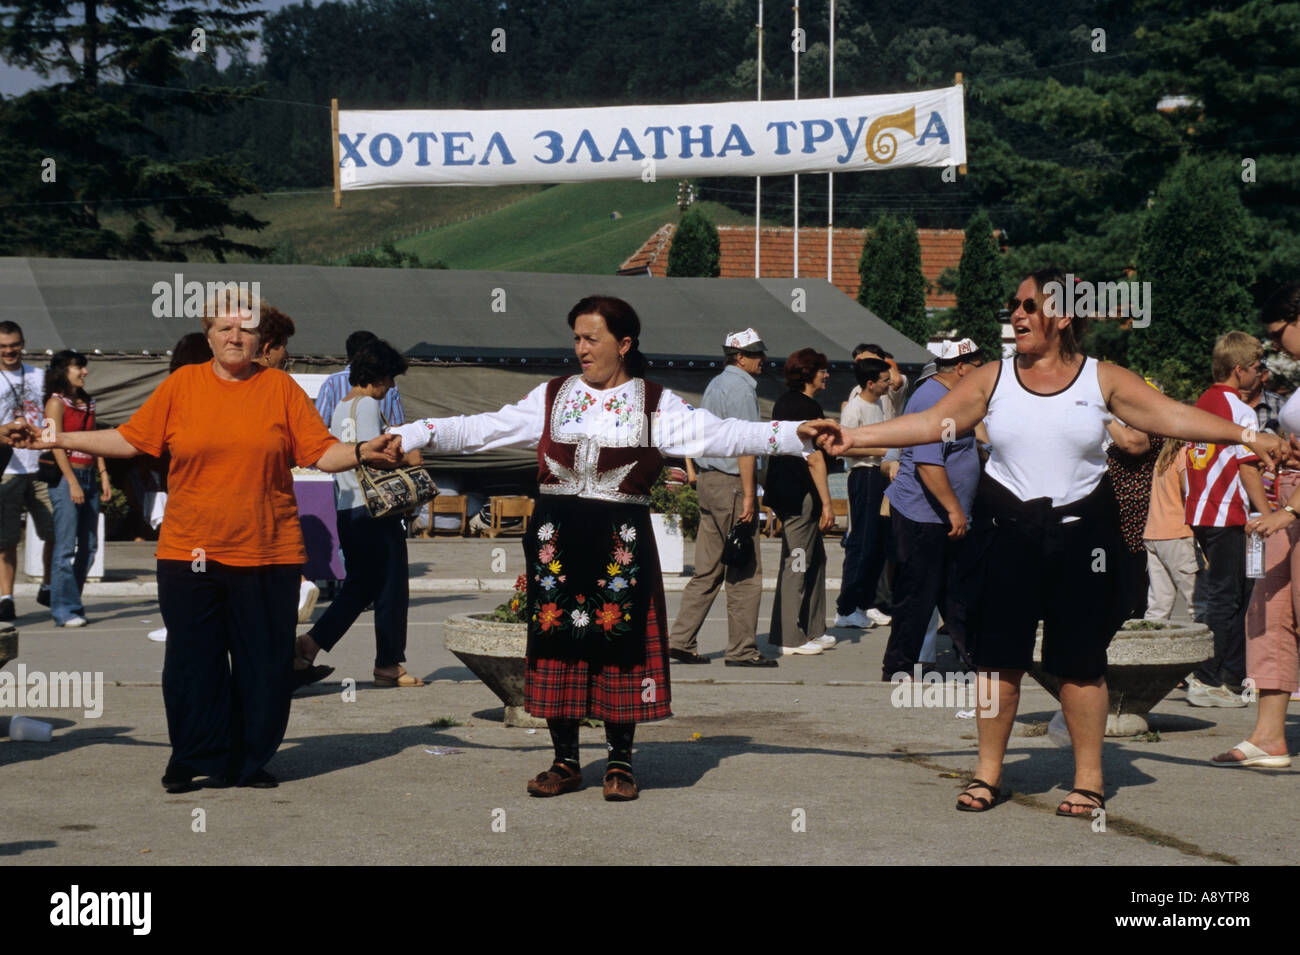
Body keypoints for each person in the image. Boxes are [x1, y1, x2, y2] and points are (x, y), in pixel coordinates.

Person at [826, 267, 1285, 816]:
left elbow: (1170, 416)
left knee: (1081, 663)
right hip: (1005, 532)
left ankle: (1088, 780)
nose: (1016, 315)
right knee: (996, 661)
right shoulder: (992, 378)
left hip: (1083, 536)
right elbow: (929, 424)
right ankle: (987, 774)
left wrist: (1247, 434)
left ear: (1063, 315)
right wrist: (854, 437)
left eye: (1027, 306)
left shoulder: (1103, 379)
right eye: (1013, 306)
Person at [389, 296, 836, 800]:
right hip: (557, 542)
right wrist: (411, 430)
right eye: (576, 338)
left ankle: (620, 761)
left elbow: (723, 434)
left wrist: (794, 432)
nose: (581, 348)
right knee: (560, 643)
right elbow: (482, 429)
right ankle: (564, 761)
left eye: (591, 338)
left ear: (623, 344)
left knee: (618, 646)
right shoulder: (553, 396)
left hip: (619, 545)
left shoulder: (654, 403)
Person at [23, 288, 402, 792]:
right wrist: (60, 439)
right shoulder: (183, 385)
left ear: (260, 338)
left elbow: (320, 452)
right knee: (191, 661)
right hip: (189, 552)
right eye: (225, 328)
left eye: (246, 329)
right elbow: (132, 440)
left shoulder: (281, 390)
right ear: (209, 335)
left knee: (262, 664)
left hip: (269, 551)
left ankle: (247, 761)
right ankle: (193, 755)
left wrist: (360, 451)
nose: (235, 336)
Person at [293, 340, 424, 687]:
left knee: (362, 585)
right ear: (378, 376)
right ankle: (388, 663)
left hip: (347, 509)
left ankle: (310, 645)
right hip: (374, 510)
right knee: (392, 587)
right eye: (391, 379)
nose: (392, 387)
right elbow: (375, 457)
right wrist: (409, 454)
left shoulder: (340, 407)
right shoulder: (366, 405)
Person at [1214, 282, 1300, 767]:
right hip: (1288, 496)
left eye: (1277, 332)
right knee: (1267, 612)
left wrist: (1288, 511)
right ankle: (1270, 737)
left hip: (1295, 506)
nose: (1274, 345)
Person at [668, 327, 777, 667]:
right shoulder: (742, 390)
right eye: (756, 354)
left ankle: (681, 640)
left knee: (708, 569)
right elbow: (743, 443)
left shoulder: (715, 384)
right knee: (744, 569)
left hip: (709, 480)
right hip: (731, 481)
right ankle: (742, 649)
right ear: (740, 358)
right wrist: (749, 495)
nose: (762, 360)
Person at [878, 339, 983, 680]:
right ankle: (898, 666)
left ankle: (975, 661)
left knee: (955, 592)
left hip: (941, 516)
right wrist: (954, 509)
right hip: (924, 516)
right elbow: (927, 462)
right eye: (979, 366)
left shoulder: (953, 398)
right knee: (917, 593)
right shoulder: (930, 399)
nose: (983, 373)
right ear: (963, 368)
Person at [1185, 331, 1272, 707]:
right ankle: (1207, 679)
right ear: (1239, 370)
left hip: (1204, 510)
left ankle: (1230, 676)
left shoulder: (1203, 401)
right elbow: (1247, 466)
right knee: (1228, 597)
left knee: (1237, 592)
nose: (1260, 374)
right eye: (1256, 367)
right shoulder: (1240, 410)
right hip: (1228, 511)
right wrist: (1269, 516)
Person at [765, 348, 835, 656]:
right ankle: (790, 637)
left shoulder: (783, 403)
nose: (827, 375)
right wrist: (828, 504)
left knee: (814, 559)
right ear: (809, 373)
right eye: (822, 370)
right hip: (801, 495)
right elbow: (815, 459)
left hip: (785, 493)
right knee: (798, 563)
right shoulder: (809, 407)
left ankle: (812, 628)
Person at [43, 351, 112, 627]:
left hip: (88, 478)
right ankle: (63, 609)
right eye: (78, 367)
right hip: (65, 479)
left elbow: (95, 440)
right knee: (65, 547)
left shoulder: (88, 402)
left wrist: (103, 474)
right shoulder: (54, 403)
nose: (84, 372)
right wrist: (71, 481)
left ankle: (72, 601)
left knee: (90, 547)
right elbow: (53, 442)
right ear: (63, 371)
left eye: (84, 367)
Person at [833, 357, 893, 630]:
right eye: (884, 379)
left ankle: (866, 603)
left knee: (878, 543)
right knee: (861, 542)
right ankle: (846, 608)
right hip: (864, 476)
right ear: (870, 383)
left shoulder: (880, 404)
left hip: (880, 476)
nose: (888, 383)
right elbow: (843, 448)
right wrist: (879, 450)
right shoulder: (854, 409)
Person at [0, 321, 53, 619]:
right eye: (3, 346)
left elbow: (55, 413)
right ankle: (6, 599)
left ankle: (47, 585)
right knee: (6, 539)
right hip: (8, 468)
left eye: (14, 344)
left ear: (23, 343)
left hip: (41, 464)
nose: (9, 351)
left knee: (56, 530)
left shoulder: (39, 375)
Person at [1143, 437, 1197, 621]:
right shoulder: (1184, 454)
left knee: (1159, 604)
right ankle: (1207, 647)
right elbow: (1189, 490)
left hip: (1154, 532)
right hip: (1177, 533)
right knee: (1195, 600)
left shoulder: (1164, 457)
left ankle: (1147, 646)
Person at [316, 330, 405, 428]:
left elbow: (319, 425)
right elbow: (397, 426)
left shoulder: (332, 383)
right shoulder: (385, 384)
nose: (392, 384)